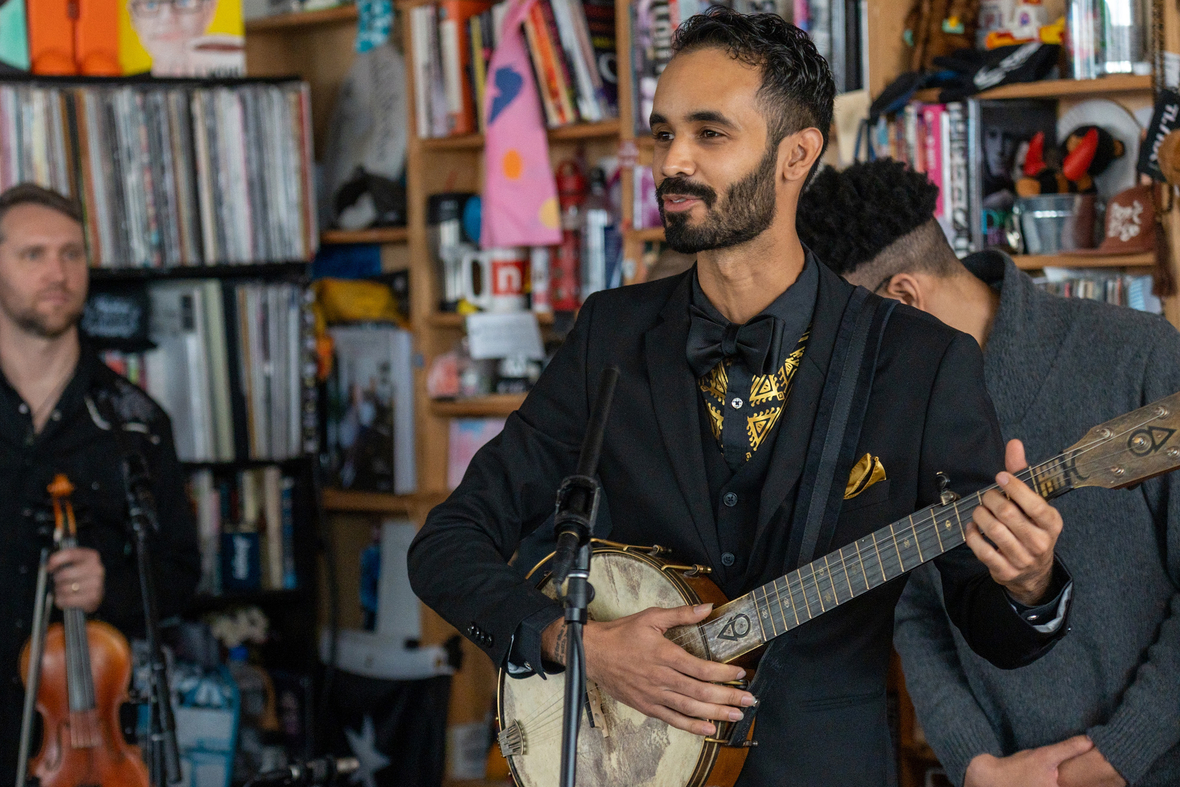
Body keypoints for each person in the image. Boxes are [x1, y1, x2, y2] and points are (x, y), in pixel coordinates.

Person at [408, 10, 1073, 785]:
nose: (673, 161)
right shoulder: (608, 336)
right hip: (623, 763)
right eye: (663, 134)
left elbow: (987, 623)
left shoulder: (921, 361)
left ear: (797, 154)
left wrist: (1029, 583)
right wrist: (577, 643)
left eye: (709, 133)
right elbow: (447, 543)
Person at [799, 159, 1180, 787]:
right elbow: (916, 611)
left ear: (904, 299)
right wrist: (977, 764)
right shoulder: (892, 424)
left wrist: (1118, 756)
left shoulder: (1137, 355)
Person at [0, 184, 200, 787]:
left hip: (87, 742)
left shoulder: (134, 422)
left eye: (72, 254)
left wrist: (111, 586)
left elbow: (180, 571)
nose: (57, 272)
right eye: (33, 254)